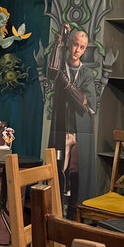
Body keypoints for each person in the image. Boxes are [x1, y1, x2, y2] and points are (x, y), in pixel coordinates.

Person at [48, 26, 97, 218]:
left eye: (82, 47)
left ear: (85, 50)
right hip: (61, 130)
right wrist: (61, 37)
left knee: (77, 175)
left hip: (80, 133)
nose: (77, 50)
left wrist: (66, 83)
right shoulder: (60, 67)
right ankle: (56, 217)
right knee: (58, 172)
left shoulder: (86, 73)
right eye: (75, 44)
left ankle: (75, 220)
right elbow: (52, 71)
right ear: (69, 44)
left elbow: (87, 104)